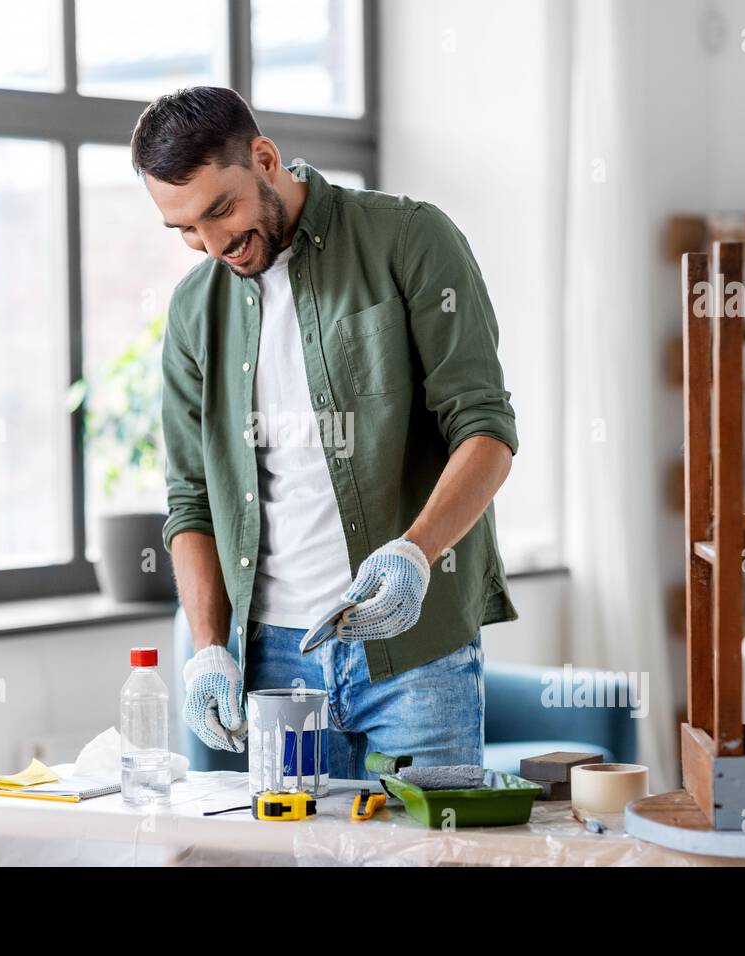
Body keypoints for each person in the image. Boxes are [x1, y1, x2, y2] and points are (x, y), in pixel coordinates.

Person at [132, 86, 518, 779]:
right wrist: (210, 647)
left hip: (412, 649)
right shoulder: (195, 311)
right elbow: (190, 497)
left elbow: (485, 430)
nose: (215, 244)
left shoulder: (408, 239)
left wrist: (415, 555)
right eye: (186, 229)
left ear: (265, 157)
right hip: (274, 663)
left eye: (221, 209)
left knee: (424, 860)